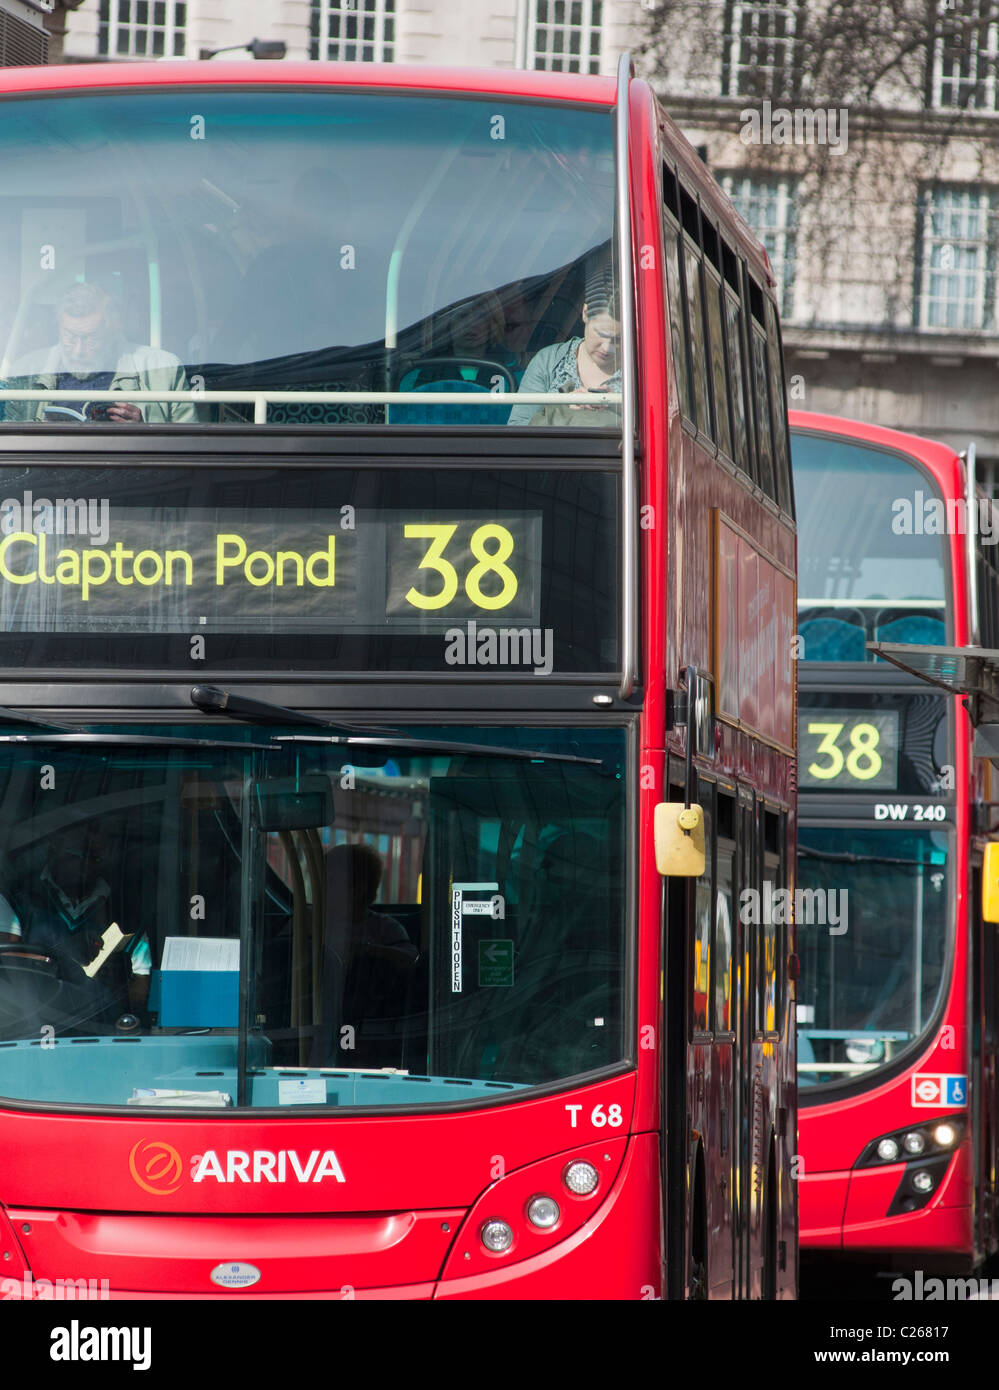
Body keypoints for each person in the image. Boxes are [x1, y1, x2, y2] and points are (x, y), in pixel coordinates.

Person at [5, 283, 198, 424]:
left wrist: (144, 431)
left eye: (91, 339)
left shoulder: (163, 369)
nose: (79, 350)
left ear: (113, 331)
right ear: (59, 329)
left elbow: (192, 447)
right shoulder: (26, 370)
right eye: (70, 337)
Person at [312, 843, 417, 1065]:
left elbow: (410, 960)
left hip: (369, 1030)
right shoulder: (307, 923)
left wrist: (367, 950)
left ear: (358, 888)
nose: (322, 887)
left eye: (331, 881)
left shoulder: (384, 928)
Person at [506, 270, 622, 426]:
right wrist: (563, 407)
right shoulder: (548, 362)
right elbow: (517, 430)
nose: (607, 348)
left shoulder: (642, 372)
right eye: (600, 333)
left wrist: (621, 408)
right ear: (585, 313)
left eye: (618, 339)